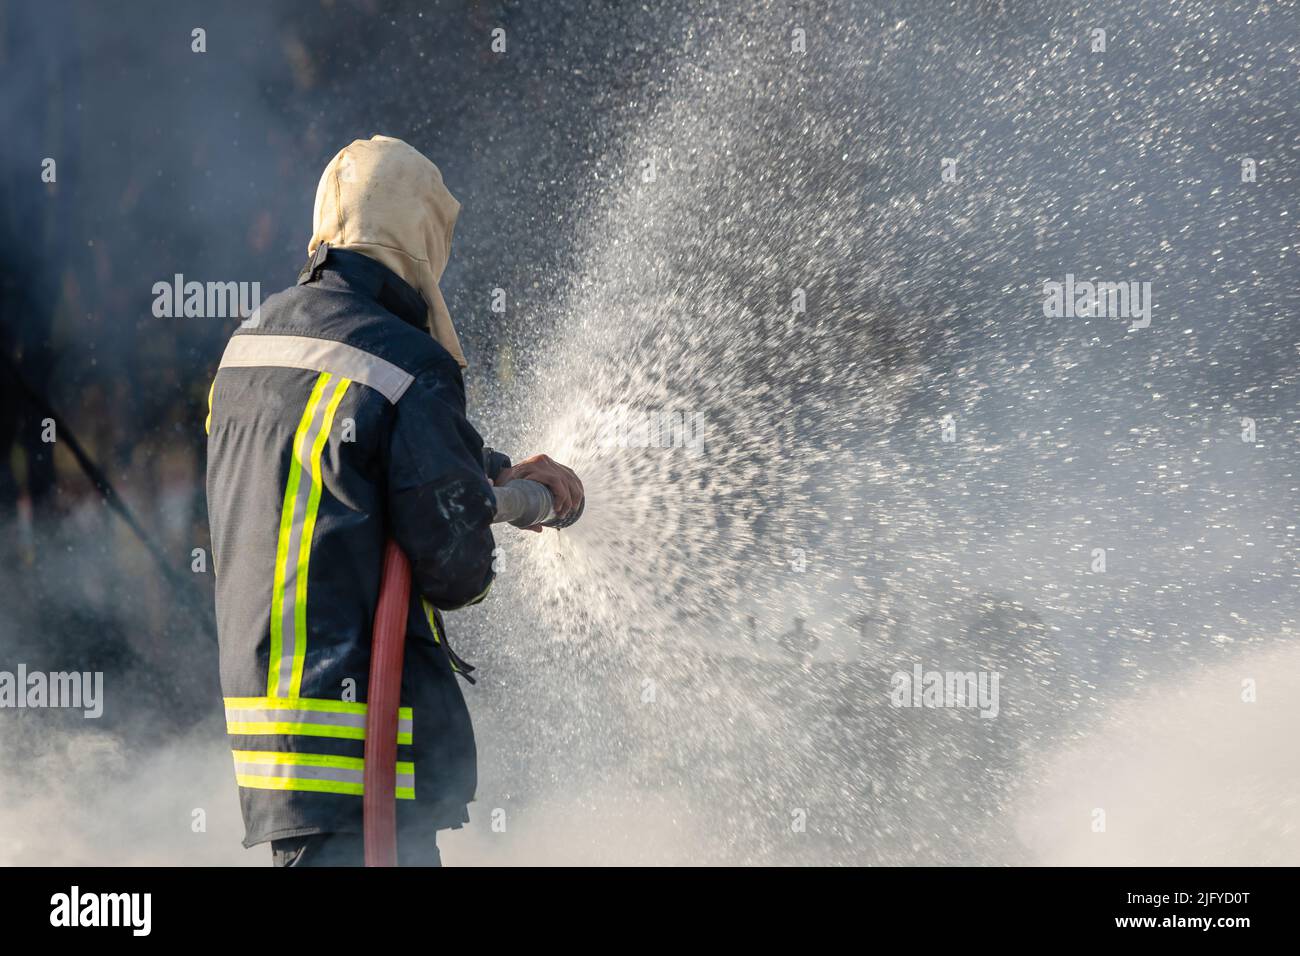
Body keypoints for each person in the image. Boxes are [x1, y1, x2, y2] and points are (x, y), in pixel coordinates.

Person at [204, 135, 582, 866]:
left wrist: (487, 470)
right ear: (421, 239)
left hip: (274, 752)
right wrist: (479, 506)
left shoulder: (248, 350)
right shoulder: (411, 361)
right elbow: (454, 571)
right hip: (366, 752)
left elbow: (341, 460)